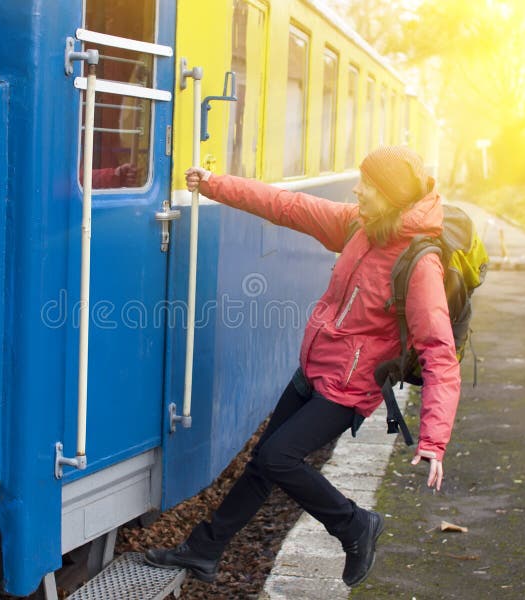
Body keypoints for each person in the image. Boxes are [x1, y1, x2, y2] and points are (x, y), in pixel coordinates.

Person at [144, 145, 460, 588]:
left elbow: (439, 351)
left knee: (278, 457)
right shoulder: (359, 226)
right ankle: (204, 550)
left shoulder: (419, 263)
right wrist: (215, 185)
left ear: (390, 196)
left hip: (348, 389)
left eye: (368, 185)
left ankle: (354, 525)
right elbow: (287, 206)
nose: (357, 189)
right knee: (264, 463)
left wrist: (434, 438)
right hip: (313, 370)